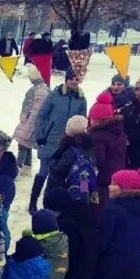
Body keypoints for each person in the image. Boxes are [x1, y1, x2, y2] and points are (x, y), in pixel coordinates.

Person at [29, 69, 87, 213]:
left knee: (57, 175)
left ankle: (49, 204)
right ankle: (33, 201)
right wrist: (40, 135)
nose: (73, 81)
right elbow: (41, 115)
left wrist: (78, 140)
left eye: (76, 79)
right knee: (43, 171)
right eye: (71, 78)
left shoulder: (81, 99)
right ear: (66, 79)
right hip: (50, 140)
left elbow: (81, 121)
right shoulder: (55, 95)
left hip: (66, 143)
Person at [87, 94, 128, 209]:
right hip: (115, 175)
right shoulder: (119, 130)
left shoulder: (97, 135)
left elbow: (97, 159)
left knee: (96, 204)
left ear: (98, 120)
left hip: (100, 178)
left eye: (92, 118)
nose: (90, 121)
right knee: (108, 204)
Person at [12, 64, 50, 169]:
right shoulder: (38, 87)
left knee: (23, 144)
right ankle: (26, 166)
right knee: (26, 143)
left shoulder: (41, 89)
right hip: (28, 120)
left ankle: (18, 167)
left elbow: (37, 110)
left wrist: (29, 124)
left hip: (30, 122)